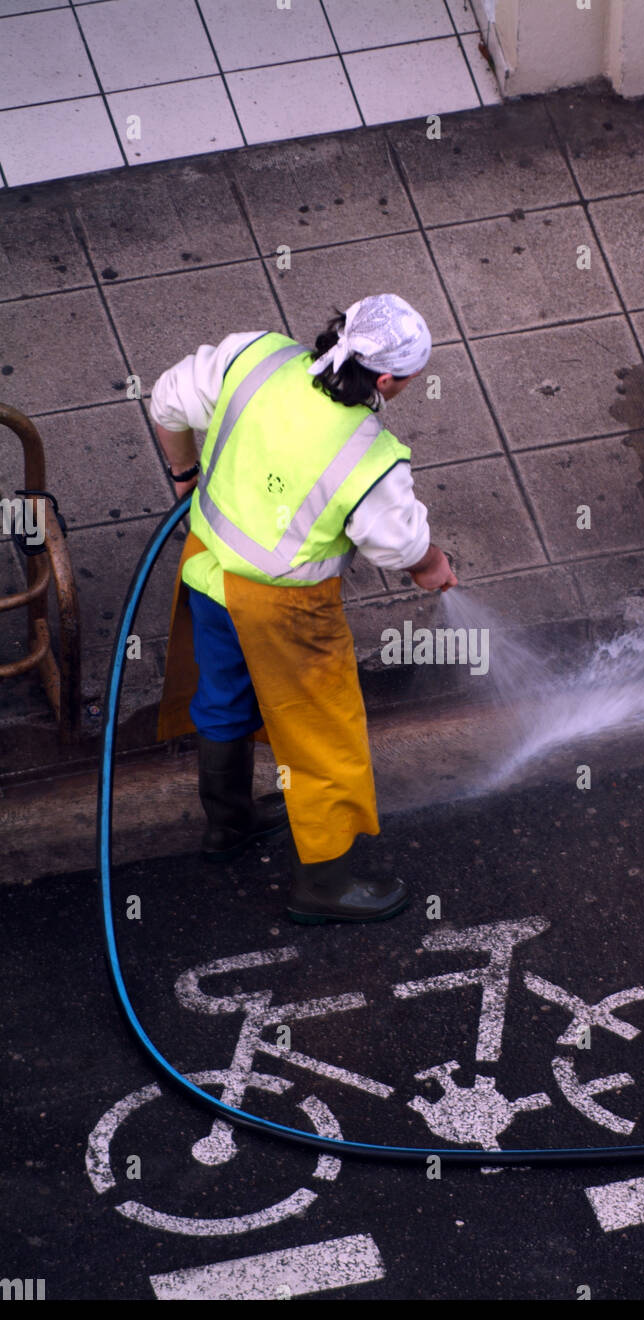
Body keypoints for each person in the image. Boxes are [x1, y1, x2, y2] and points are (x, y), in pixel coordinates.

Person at [149, 293, 457, 925]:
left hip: (209, 570)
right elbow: (397, 542)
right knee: (322, 737)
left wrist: (185, 474)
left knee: (223, 694)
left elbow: (165, 399)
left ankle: (227, 826)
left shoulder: (255, 356)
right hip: (285, 608)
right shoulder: (370, 456)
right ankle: (324, 885)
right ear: (390, 380)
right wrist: (431, 566)